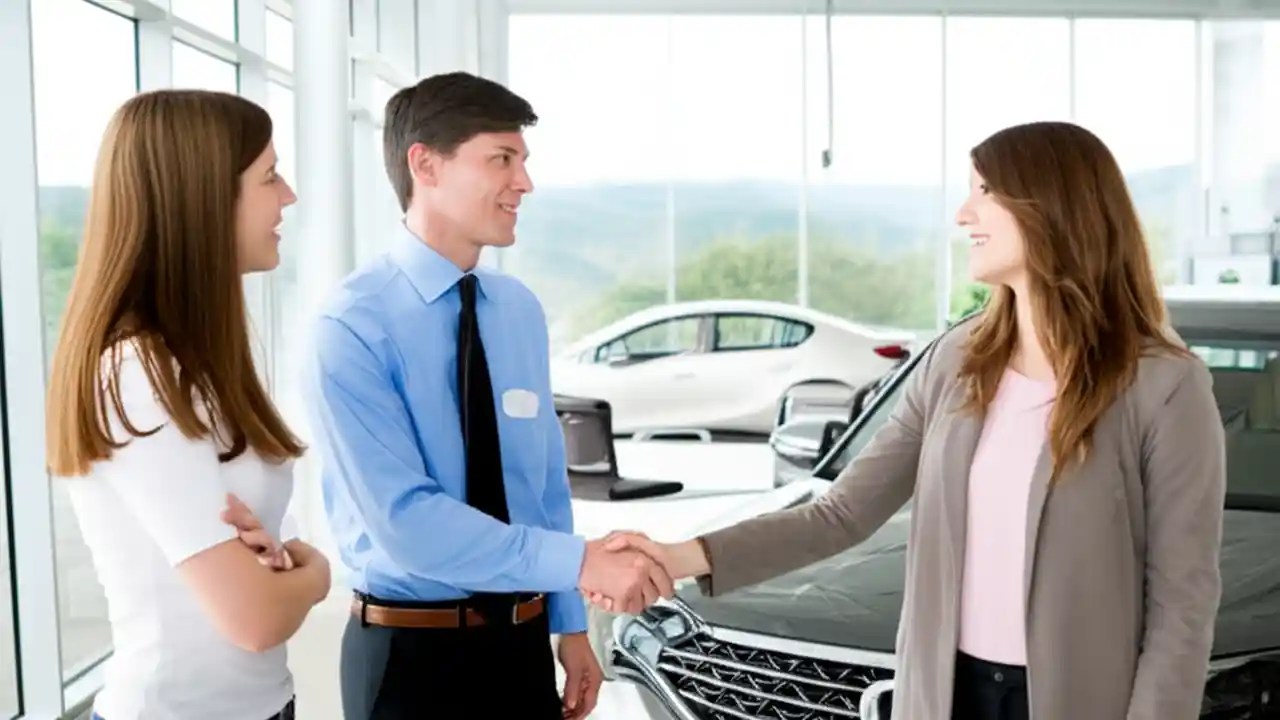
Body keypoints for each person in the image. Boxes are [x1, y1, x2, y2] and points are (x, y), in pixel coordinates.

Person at [598, 121, 1226, 720]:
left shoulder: (1164, 384)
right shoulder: (956, 360)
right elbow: (840, 513)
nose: (964, 214)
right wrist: (677, 555)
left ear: (1051, 206)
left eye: (984, 191)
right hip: (946, 694)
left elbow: (1182, 602)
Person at [304, 70, 672, 720]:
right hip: (407, 660)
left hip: (523, 644)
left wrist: (571, 624)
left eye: (523, 160)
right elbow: (409, 524)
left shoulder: (517, 311)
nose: (523, 182)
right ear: (426, 165)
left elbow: (541, 487)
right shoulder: (350, 326)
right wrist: (581, 562)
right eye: (501, 159)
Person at [44, 90, 331, 720]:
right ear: (203, 199)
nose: (288, 197)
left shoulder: (190, 363)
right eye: (269, 176)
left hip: (263, 706)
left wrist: (280, 569)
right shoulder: (138, 375)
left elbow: (252, 582)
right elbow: (254, 618)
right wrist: (315, 575)